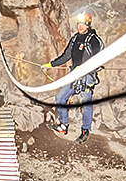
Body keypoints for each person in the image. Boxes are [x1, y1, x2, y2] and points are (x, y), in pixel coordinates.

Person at [43, 12, 103, 143]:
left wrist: (84, 68)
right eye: (79, 24)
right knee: (60, 97)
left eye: (83, 24)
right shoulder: (75, 39)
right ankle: (63, 125)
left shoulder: (93, 40)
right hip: (74, 75)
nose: (80, 27)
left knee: (86, 103)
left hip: (87, 76)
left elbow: (98, 59)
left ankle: (85, 130)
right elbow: (66, 55)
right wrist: (51, 64)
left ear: (88, 25)